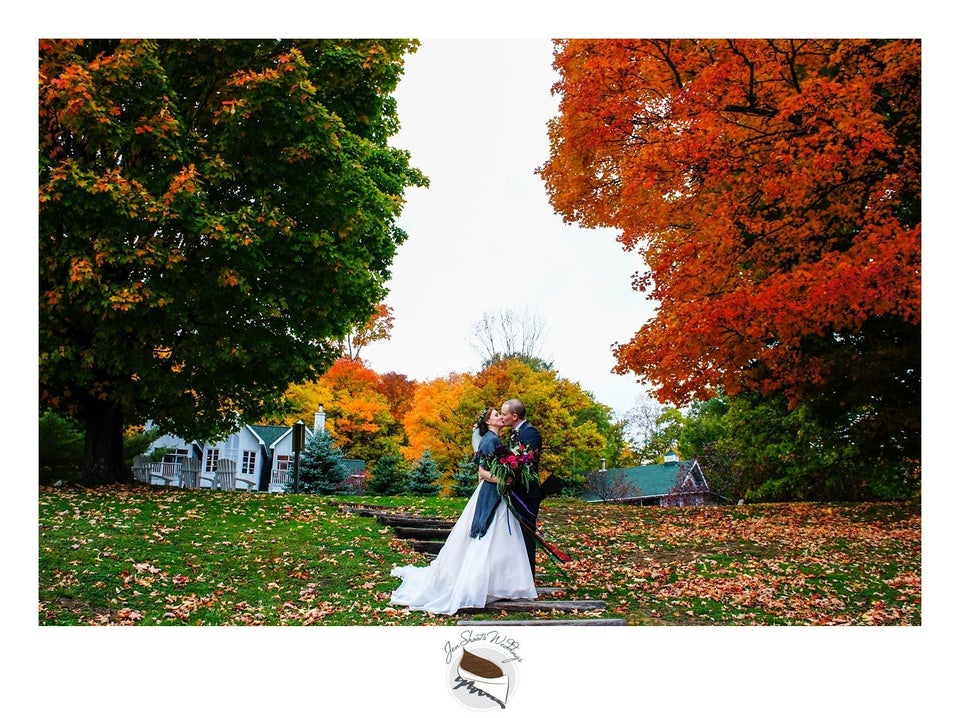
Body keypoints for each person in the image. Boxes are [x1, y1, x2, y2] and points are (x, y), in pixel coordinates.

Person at [389, 407, 537, 615]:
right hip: (491, 491)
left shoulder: (495, 440)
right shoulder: (488, 441)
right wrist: (503, 479)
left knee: (502, 538)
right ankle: (487, 583)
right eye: (496, 415)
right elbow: (483, 473)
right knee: (488, 536)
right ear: (488, 422)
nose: (500, 417)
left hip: (499, 493)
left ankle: (503, 583)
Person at [484, 398, 544, 578]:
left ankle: (528, 578)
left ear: (515, 416)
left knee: (526, 534)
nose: (502, 417)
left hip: (527, 494)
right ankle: (517, 576)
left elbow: (527, 464)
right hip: (515, 492)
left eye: (504, 414)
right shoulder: (514, 434)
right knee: (514, 536)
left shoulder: (530, 433)